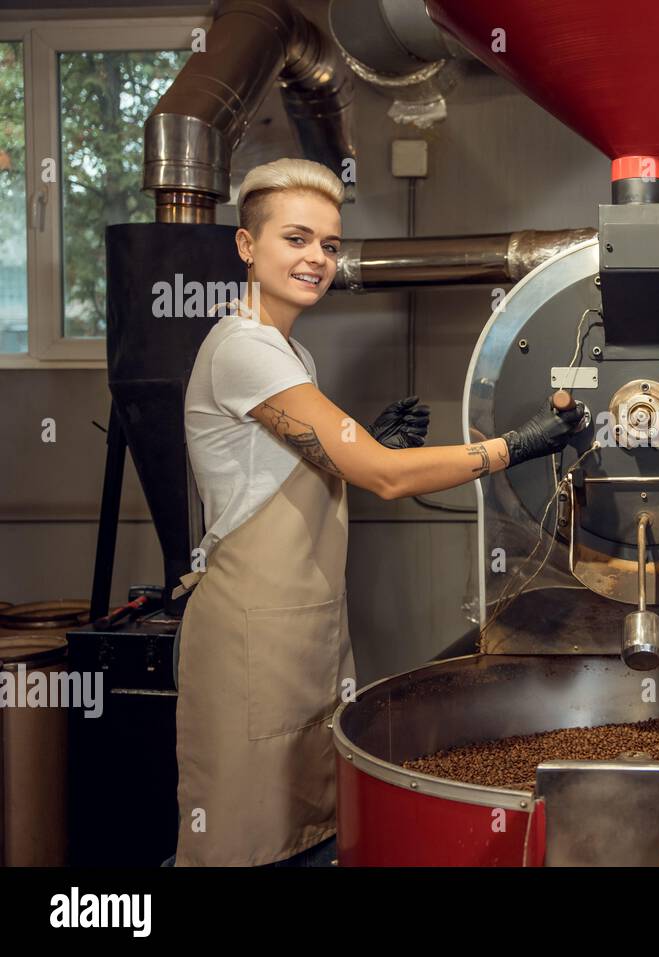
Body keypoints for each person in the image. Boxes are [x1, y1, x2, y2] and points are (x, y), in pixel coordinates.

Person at [169, 158, 582, 866]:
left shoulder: (288, 350)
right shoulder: (244, 348)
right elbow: (386, 479)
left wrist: (359, 439)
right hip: (248, 641)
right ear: (245, 245)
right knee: (245, 847)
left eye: (329, 245)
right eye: (295, 239)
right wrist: (512, 447)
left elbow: (304, 464)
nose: (316, 259)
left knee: (306, 837)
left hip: (302, 633)